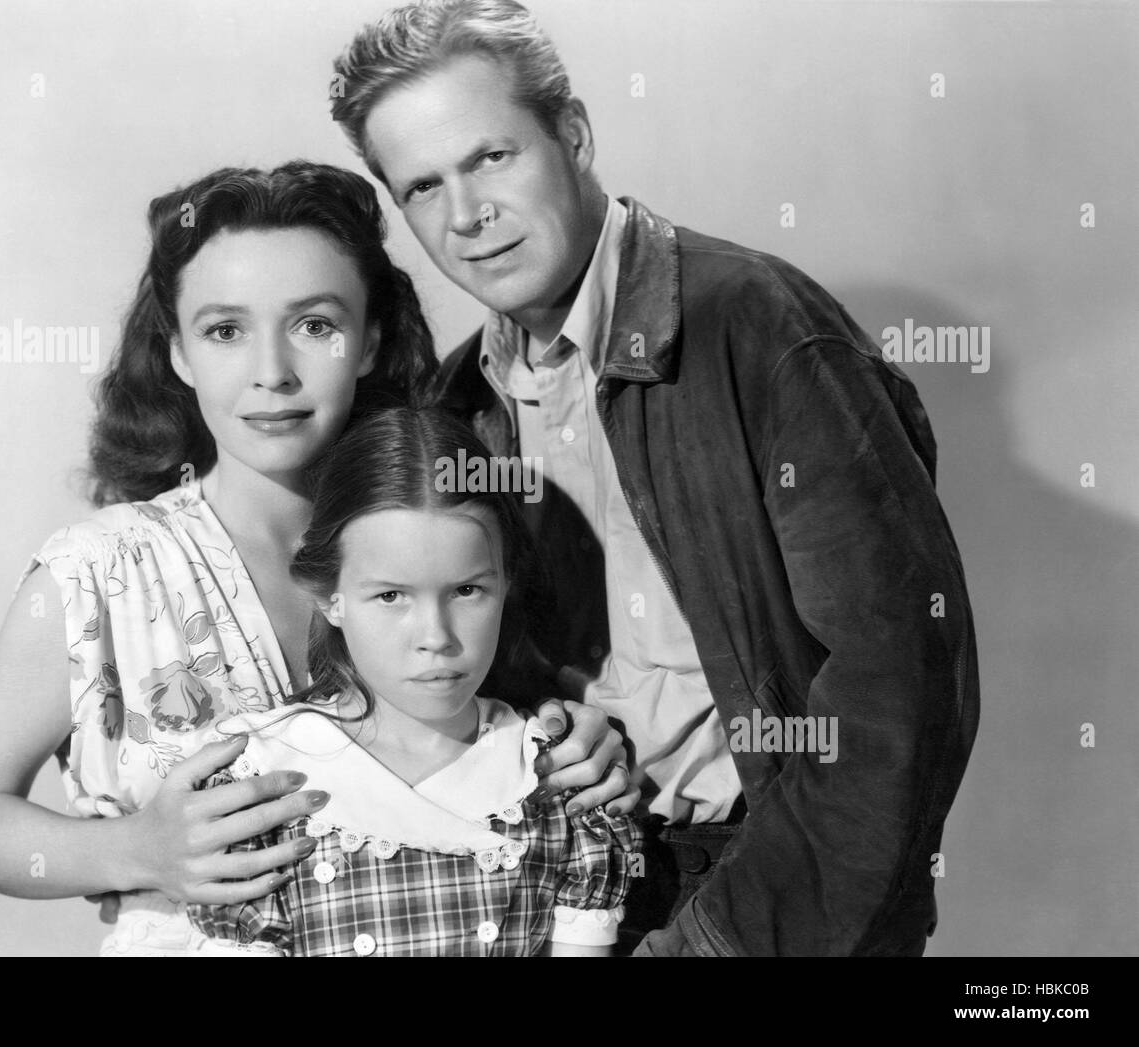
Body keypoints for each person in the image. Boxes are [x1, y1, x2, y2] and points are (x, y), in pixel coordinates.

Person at [330, 0, 981, 956]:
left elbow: (901, 685)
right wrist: (552, 729)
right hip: (574, 877)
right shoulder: (464, 398)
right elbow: (480, 663)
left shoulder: (756, 325)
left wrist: (725, 937)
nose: (466, 215)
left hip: (773, 881)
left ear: (575, 134)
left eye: (491, 159)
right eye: (423, 187)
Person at [0, 161, 633, 956]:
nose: (272, 372)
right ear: (179, 353)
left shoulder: (452, 522)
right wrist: (134, 849)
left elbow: (498, 744)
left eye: (315, 324)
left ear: (371, 341)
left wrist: (573, 746)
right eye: (225, 330)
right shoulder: (103, 573)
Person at [183, 407, 642, 956]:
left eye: (467, 591)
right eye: (391, 596)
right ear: (330, 596)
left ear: (506, 584)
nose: (436, 636)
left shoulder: (556, 777)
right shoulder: (263, 782)